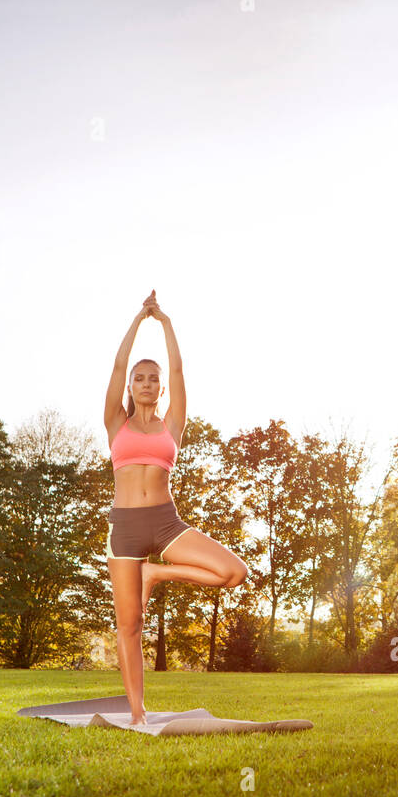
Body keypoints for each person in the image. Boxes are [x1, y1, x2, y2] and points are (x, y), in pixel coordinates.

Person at [104, 289, 248, 724]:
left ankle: (158, 572)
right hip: (125, 528)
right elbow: (115, 364)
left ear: (161, 387)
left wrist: (164, 323)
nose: (146, 383)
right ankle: (137, 713)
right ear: (131, 386)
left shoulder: (173, 424)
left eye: (153, 379)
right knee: (130, 625)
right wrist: (136, 320)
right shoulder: (116, 421)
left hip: (167, 524)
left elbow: (181, 368)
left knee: (233, 572)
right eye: (139, 378)